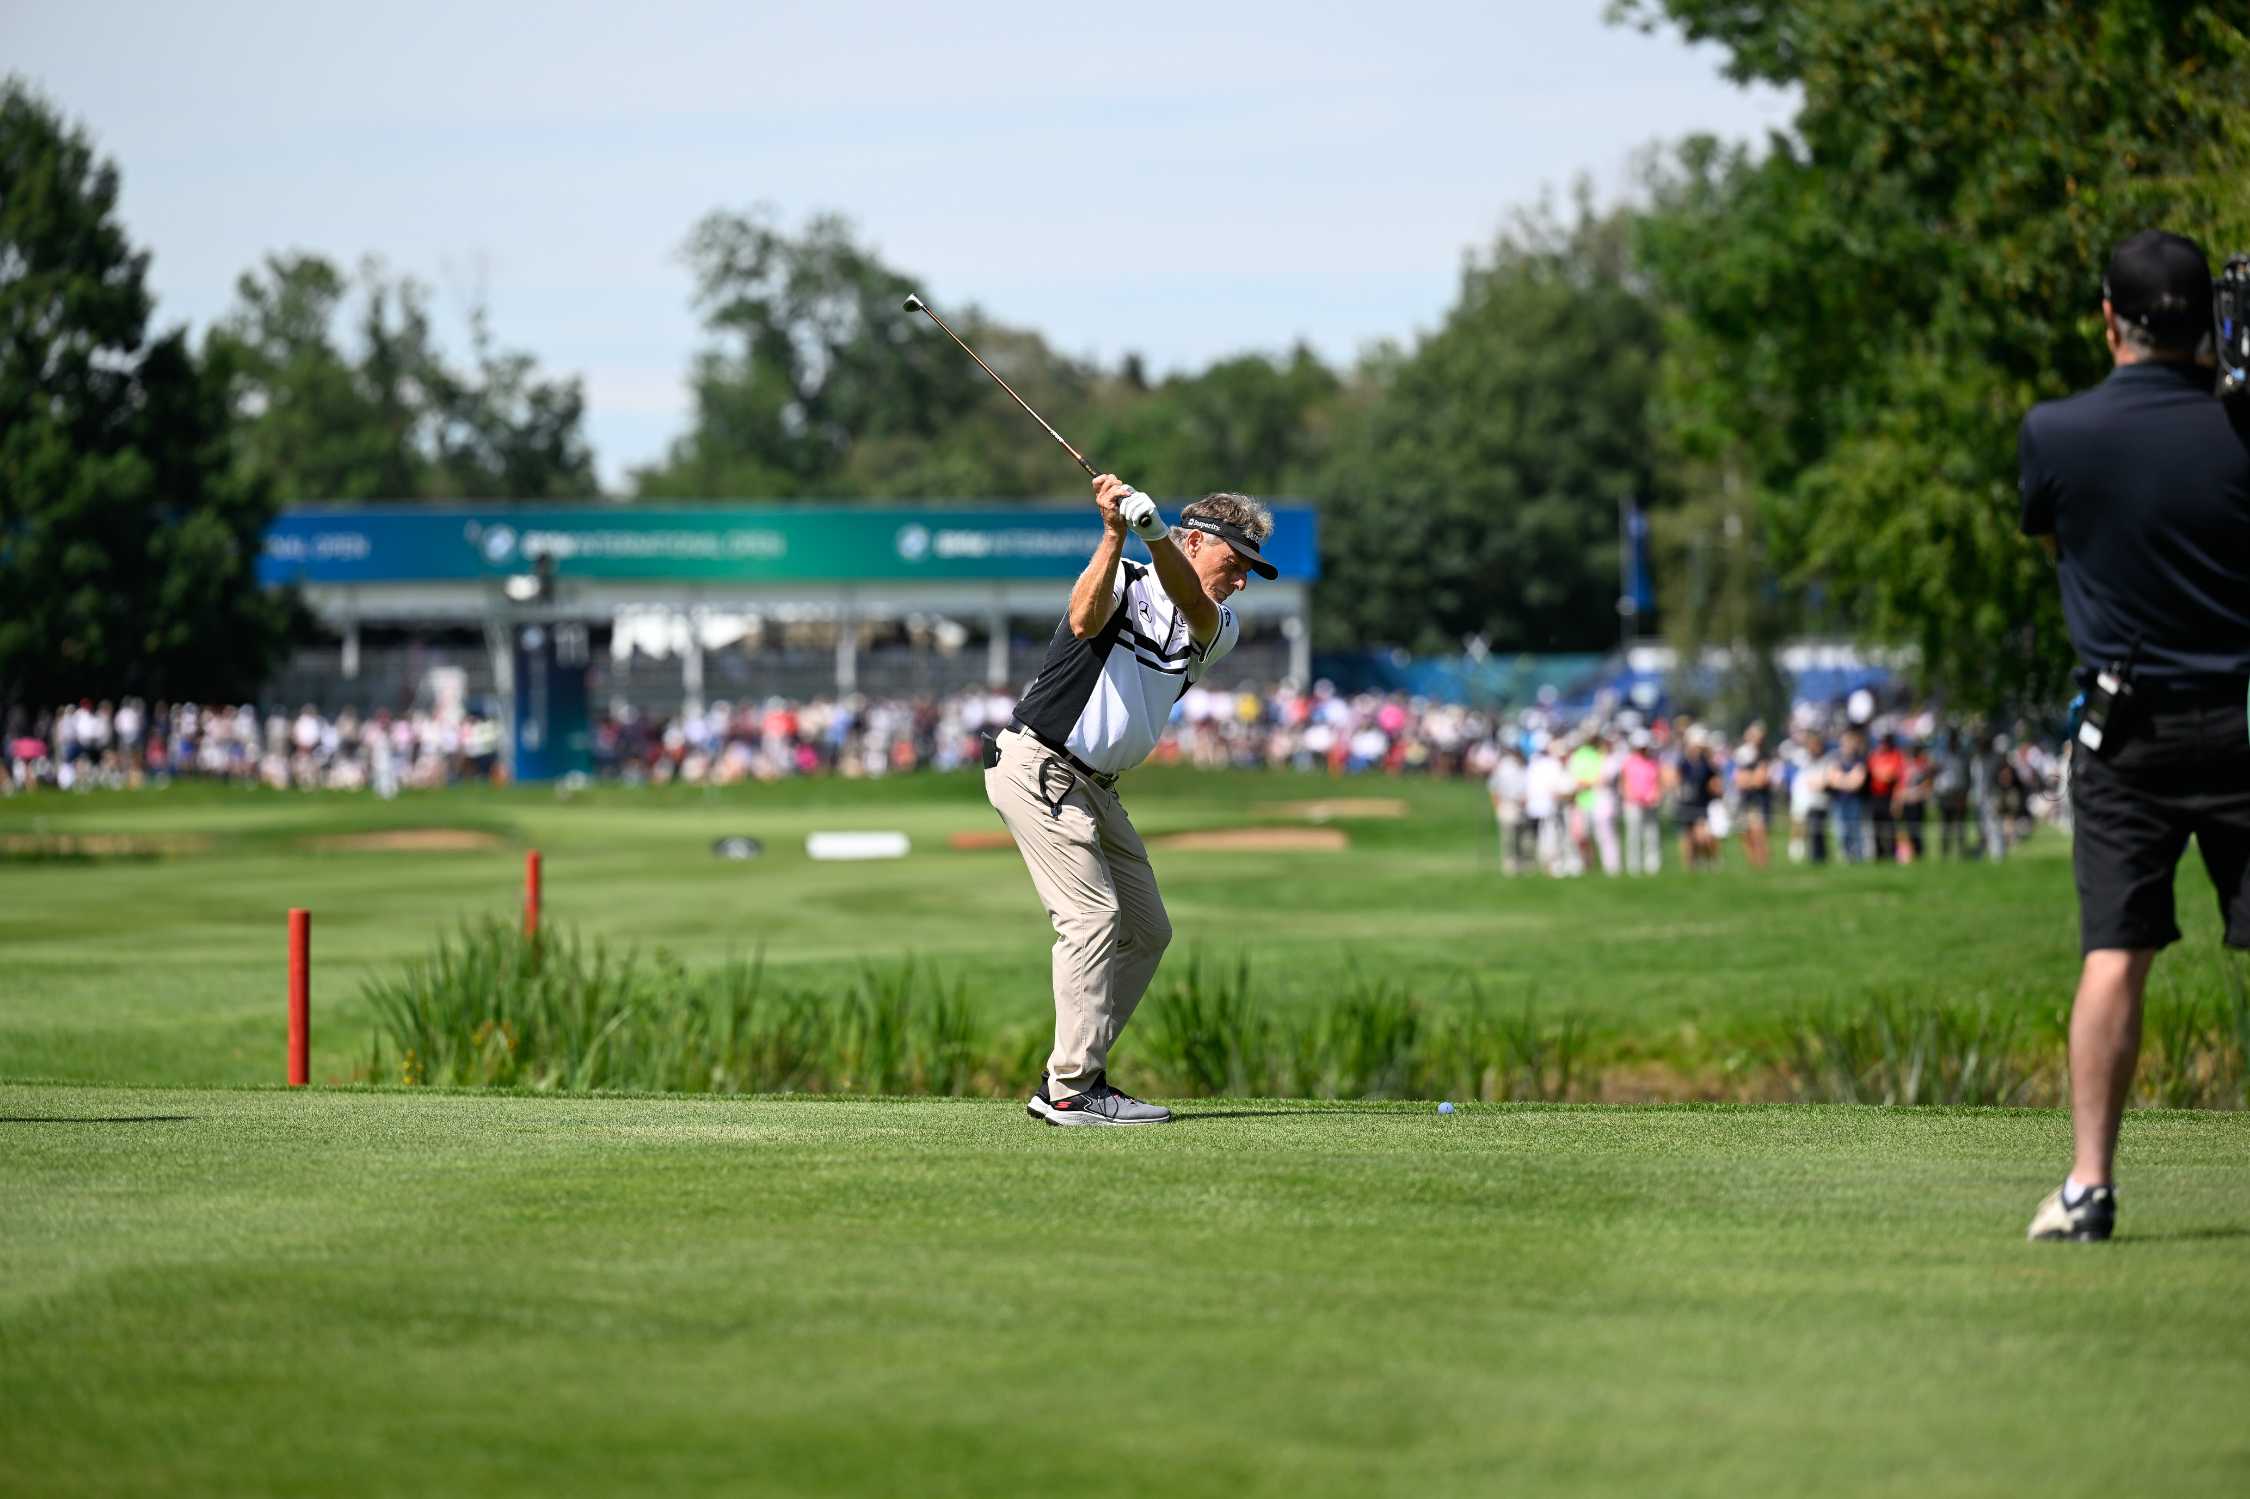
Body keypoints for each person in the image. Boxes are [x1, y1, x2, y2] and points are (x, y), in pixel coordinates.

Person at [2017, 230, 2250, 1241]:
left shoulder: (2055, 431)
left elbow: (2059, 537)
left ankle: (2089, 1184)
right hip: (2246, 711)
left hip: (2125, 728)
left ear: (2108, 320)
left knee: (2116, 951)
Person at [987, 474, 1275, 1127]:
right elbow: (1085, 617)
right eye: (1235, 563)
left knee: (1147, 929)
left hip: (1096, 786)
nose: (1242, 581)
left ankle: (1074, 1071)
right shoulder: (1124, 575)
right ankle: (1071, 1088)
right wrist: (1119, 534)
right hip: (1043, 766)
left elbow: (1196, 610)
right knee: (1090, 917)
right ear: (1196, 541)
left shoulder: (1217, 623)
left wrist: (1151, 532)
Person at [1488, 743, 1529, 875]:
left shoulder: (1523, 766)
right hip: (1507, 803)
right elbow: (1494, 787)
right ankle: (1510, 865)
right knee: (1509, 837)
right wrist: (1497, 805)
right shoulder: (1503, 767)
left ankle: (1523, 862)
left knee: (1523, 837)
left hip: (1523, 805)